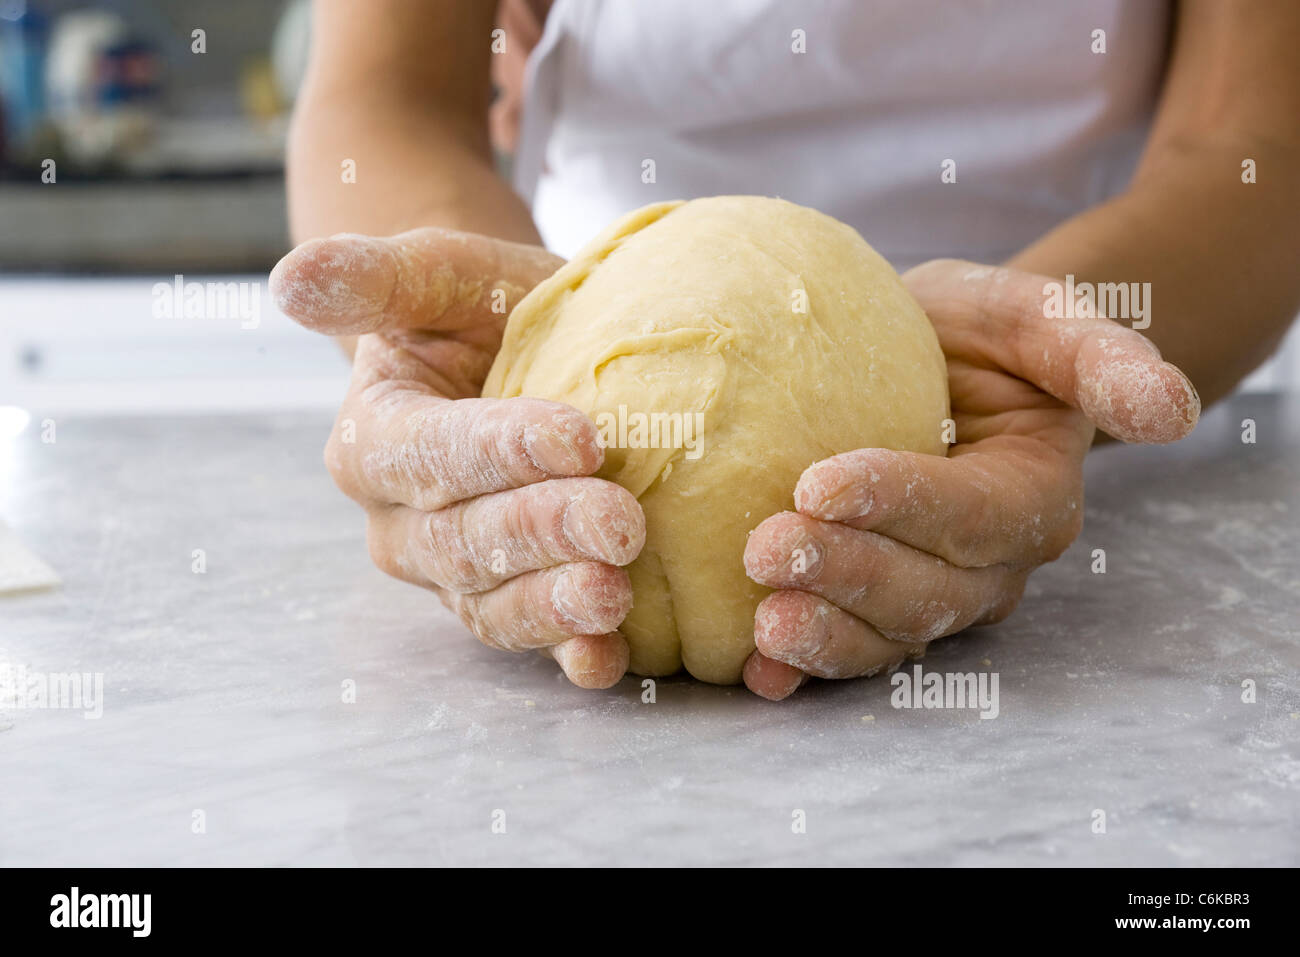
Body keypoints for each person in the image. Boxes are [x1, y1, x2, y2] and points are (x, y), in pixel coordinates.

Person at [269, 1, 1300, 700]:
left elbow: (1252, 146)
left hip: (1084, 318)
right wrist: (468, 331)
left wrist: (1058, 345)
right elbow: (389, 96)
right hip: (579, 311)